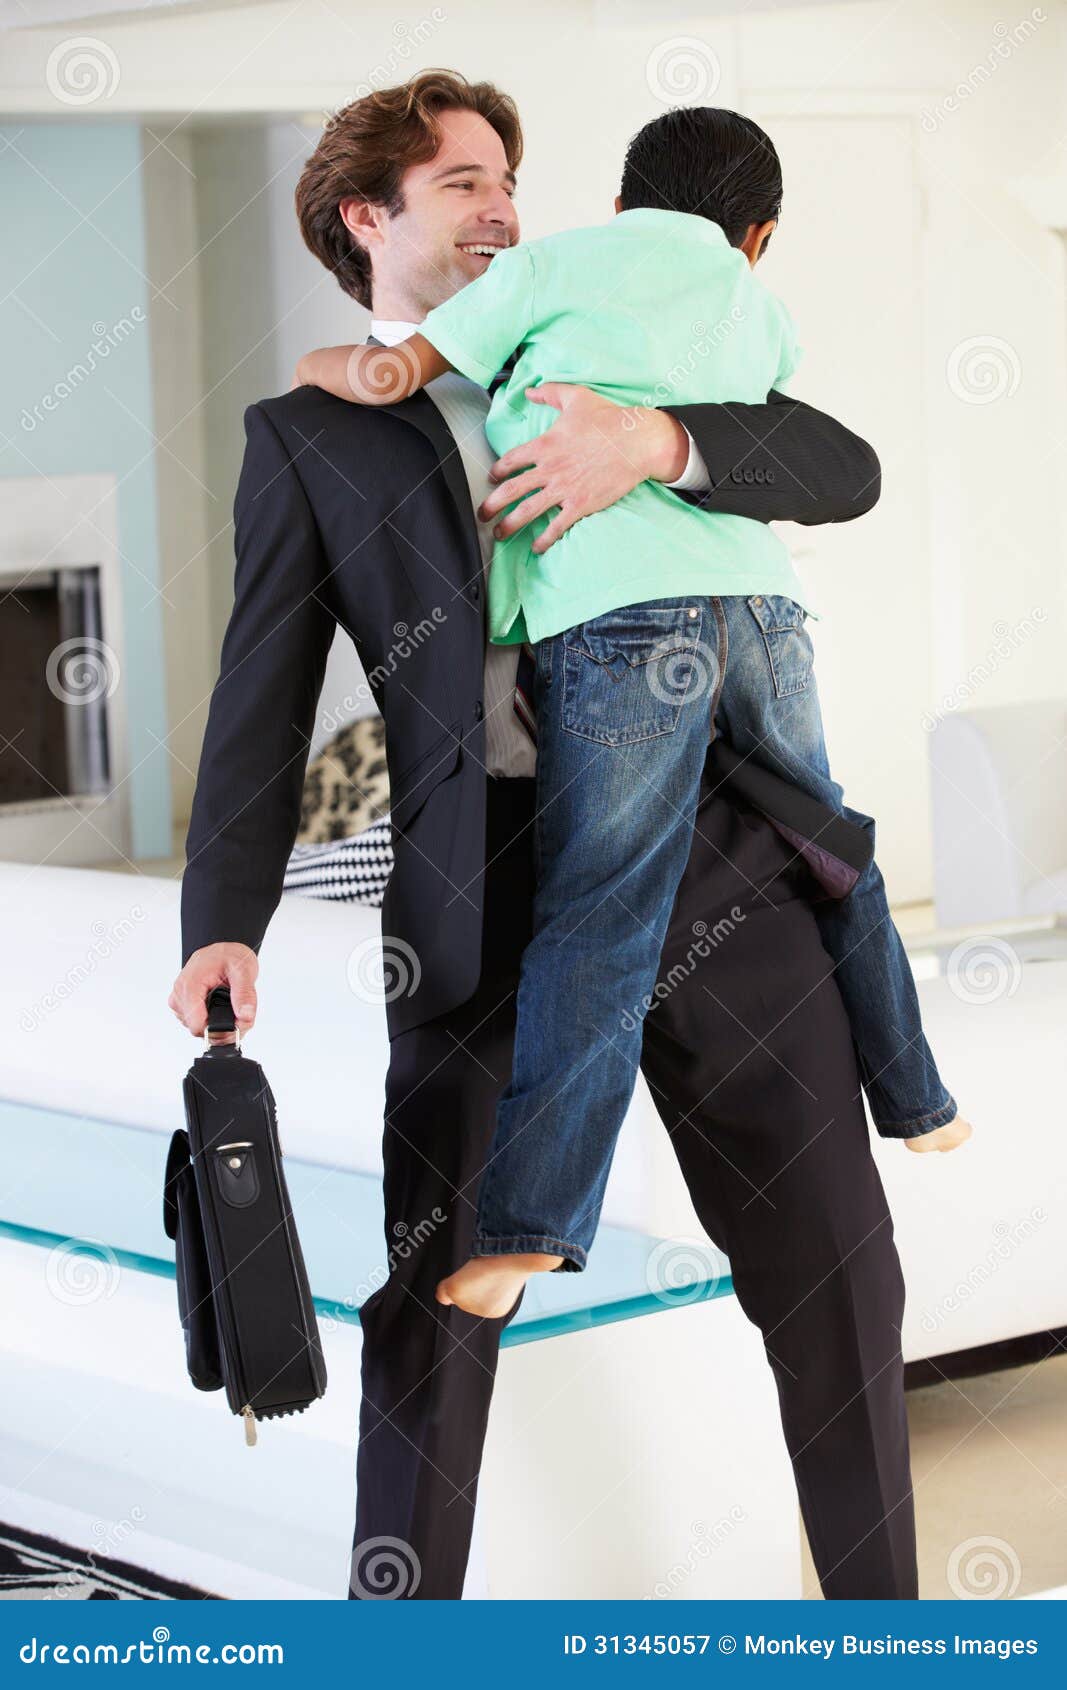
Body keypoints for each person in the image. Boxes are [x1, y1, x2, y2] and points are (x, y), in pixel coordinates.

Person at [171, 71, 920, 1599]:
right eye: (460, 181)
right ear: (366, 219)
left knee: (840, 1273)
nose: (503, 200)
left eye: (508, 175)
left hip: (716, 854)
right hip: (483, 884)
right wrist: (219, 914)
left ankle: (884, 1636)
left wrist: (654, 443)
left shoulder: (618, 345)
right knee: (436, 1310)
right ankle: (400, 1639)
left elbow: (840, 467)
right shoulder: (311, 433)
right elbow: (259, 694)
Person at [295, 105, 970, 1318]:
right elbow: (778, 432)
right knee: (836, 845)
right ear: (757, 236)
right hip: (761, 614)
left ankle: (530, 1229)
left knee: (599, 917)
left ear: (613, 204)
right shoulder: (753, 301)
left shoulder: (555, 265)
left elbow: (407, 368)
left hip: (621, 624)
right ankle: (918, 1098)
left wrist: (332, 372)